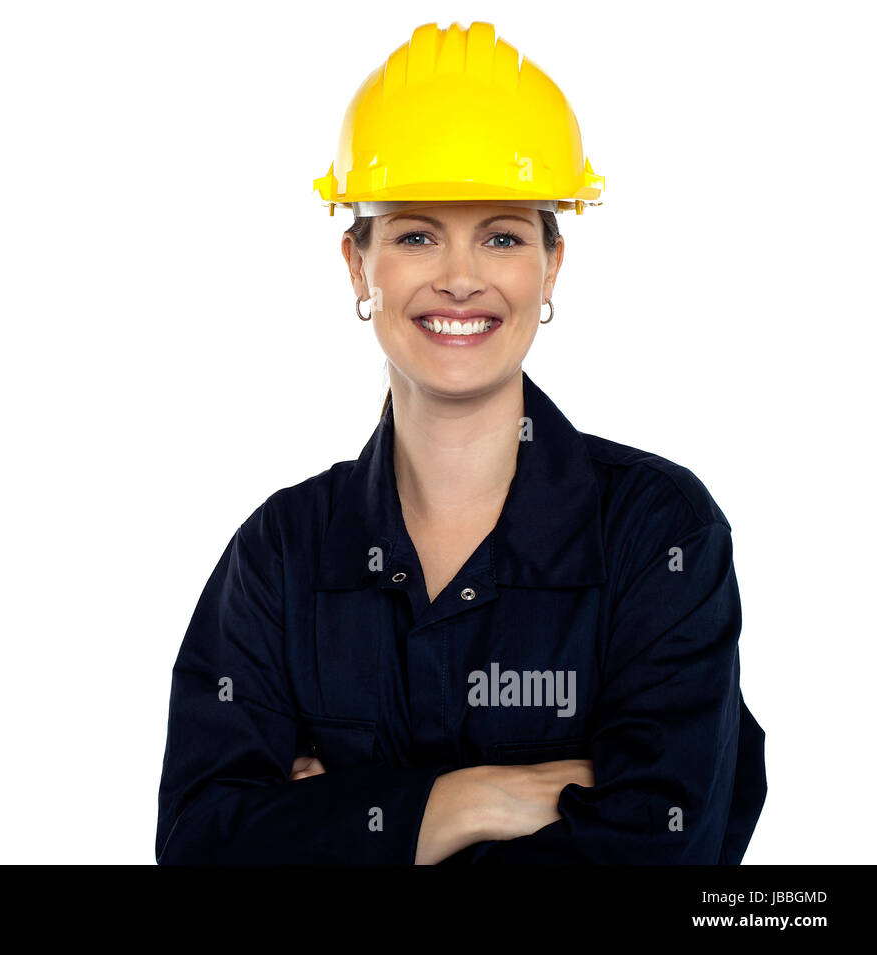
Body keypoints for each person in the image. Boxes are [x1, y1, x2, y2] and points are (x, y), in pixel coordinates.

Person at [155, 20, 766, 864]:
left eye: (503, 235)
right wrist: (453, 802)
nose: (460, 275)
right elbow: (199, 843)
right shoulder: (281, 555)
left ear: (551, 266)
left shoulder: (658, 535)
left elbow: (667, 846)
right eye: (414, 233)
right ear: (355, 264)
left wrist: (337, 821)